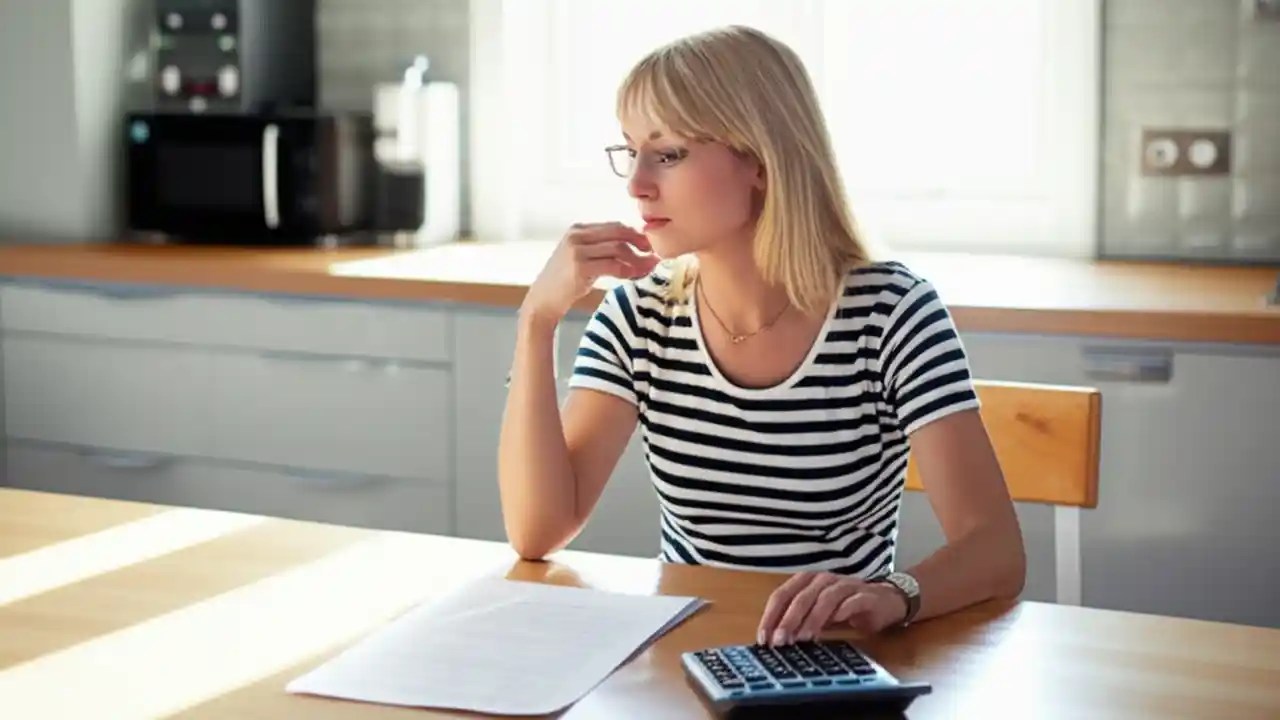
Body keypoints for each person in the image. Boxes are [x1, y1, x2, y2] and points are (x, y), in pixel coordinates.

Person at [498, 25, 1025, 647]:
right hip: (687, 654)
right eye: (630, 151)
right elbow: (537, 532)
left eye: (666, 154)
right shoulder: (640, 317)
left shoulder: (890, 313)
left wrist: (894, 595)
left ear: (759, 161)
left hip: (834, 657)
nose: (637, 183)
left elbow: (995, 551)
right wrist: (536, 322)